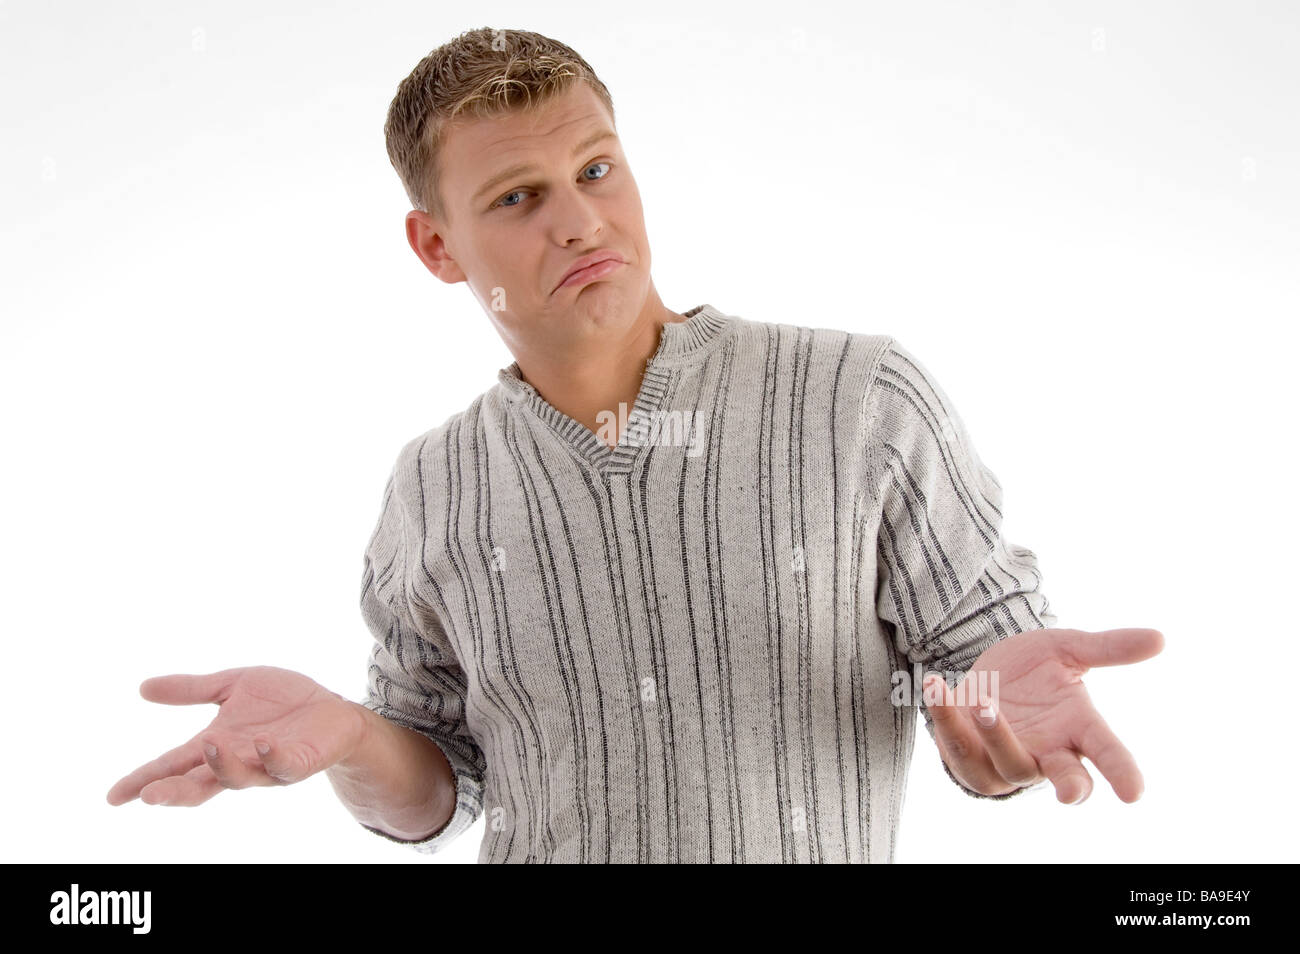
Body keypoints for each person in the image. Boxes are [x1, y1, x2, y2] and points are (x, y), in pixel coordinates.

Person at [106, 27, 1164, 863]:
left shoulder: (857, 399)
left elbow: (984, 682)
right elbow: (438, 788)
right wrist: (348, 740)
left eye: (597, 170)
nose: (578, 223)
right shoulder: (430, 487)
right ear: (437, 246)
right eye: (518, 197)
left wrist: (999, 744)